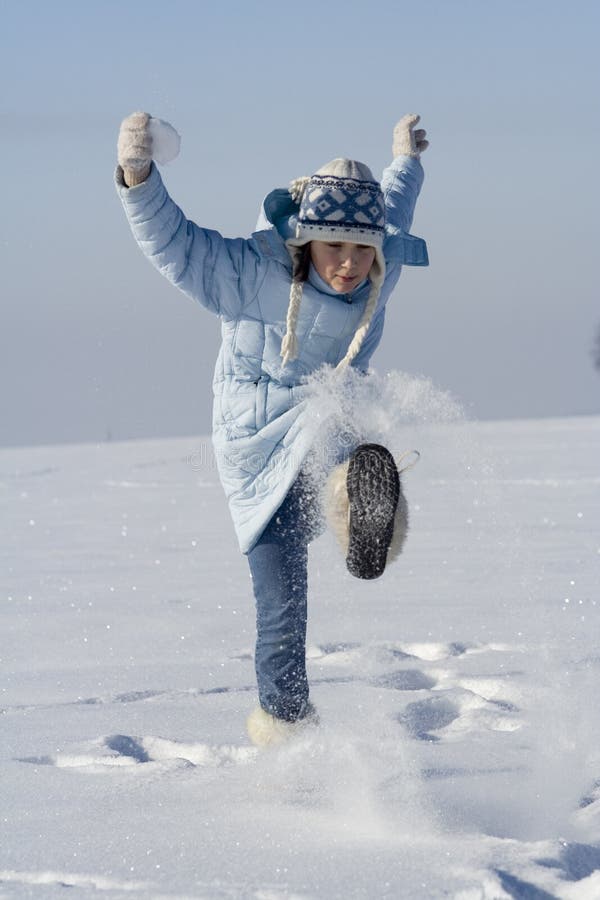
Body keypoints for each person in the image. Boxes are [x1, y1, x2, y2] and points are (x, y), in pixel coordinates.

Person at [115, 111, 429, 746]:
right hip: (255, 446)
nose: (349, 264)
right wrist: (139, 174)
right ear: (306, 239)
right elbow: (178, 245)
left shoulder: (380, 263)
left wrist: (407, 159)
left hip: (328, 424)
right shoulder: (249, 271)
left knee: (339, 427)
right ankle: (286, 729)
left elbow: (395, 206)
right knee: (282, 609)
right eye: (335, 248)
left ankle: (363, 507)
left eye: (362, 249)